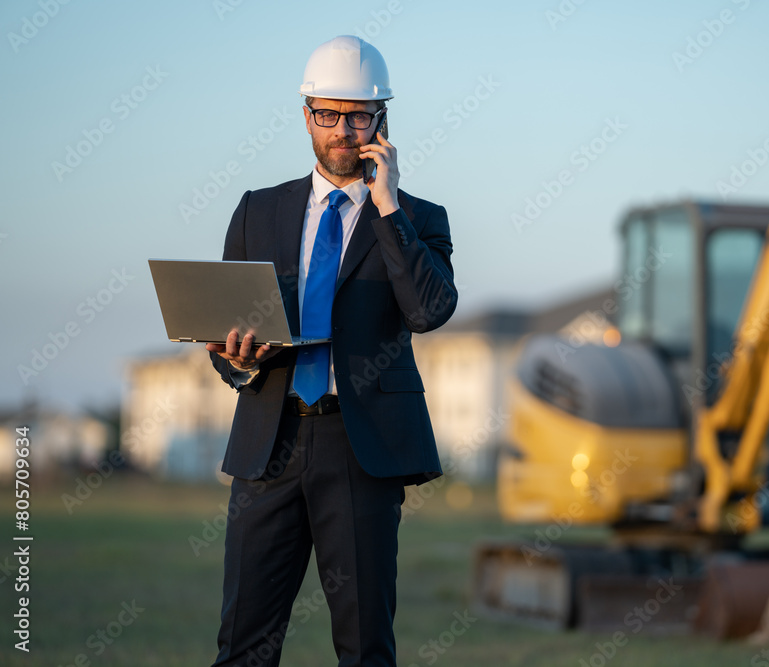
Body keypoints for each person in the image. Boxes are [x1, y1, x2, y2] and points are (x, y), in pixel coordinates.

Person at [204, 35, 457, 667]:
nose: (343, 129)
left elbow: (428, 311)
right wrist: (236, 361)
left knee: (365, 648)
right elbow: (227, 336)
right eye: (328, 114)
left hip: (360, 447)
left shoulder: (418, 219)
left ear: (382, 120)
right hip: (270, 443)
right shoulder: (257, 212)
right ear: (308, 113)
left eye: (358, 116)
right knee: (243, 647)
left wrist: (387, 207)